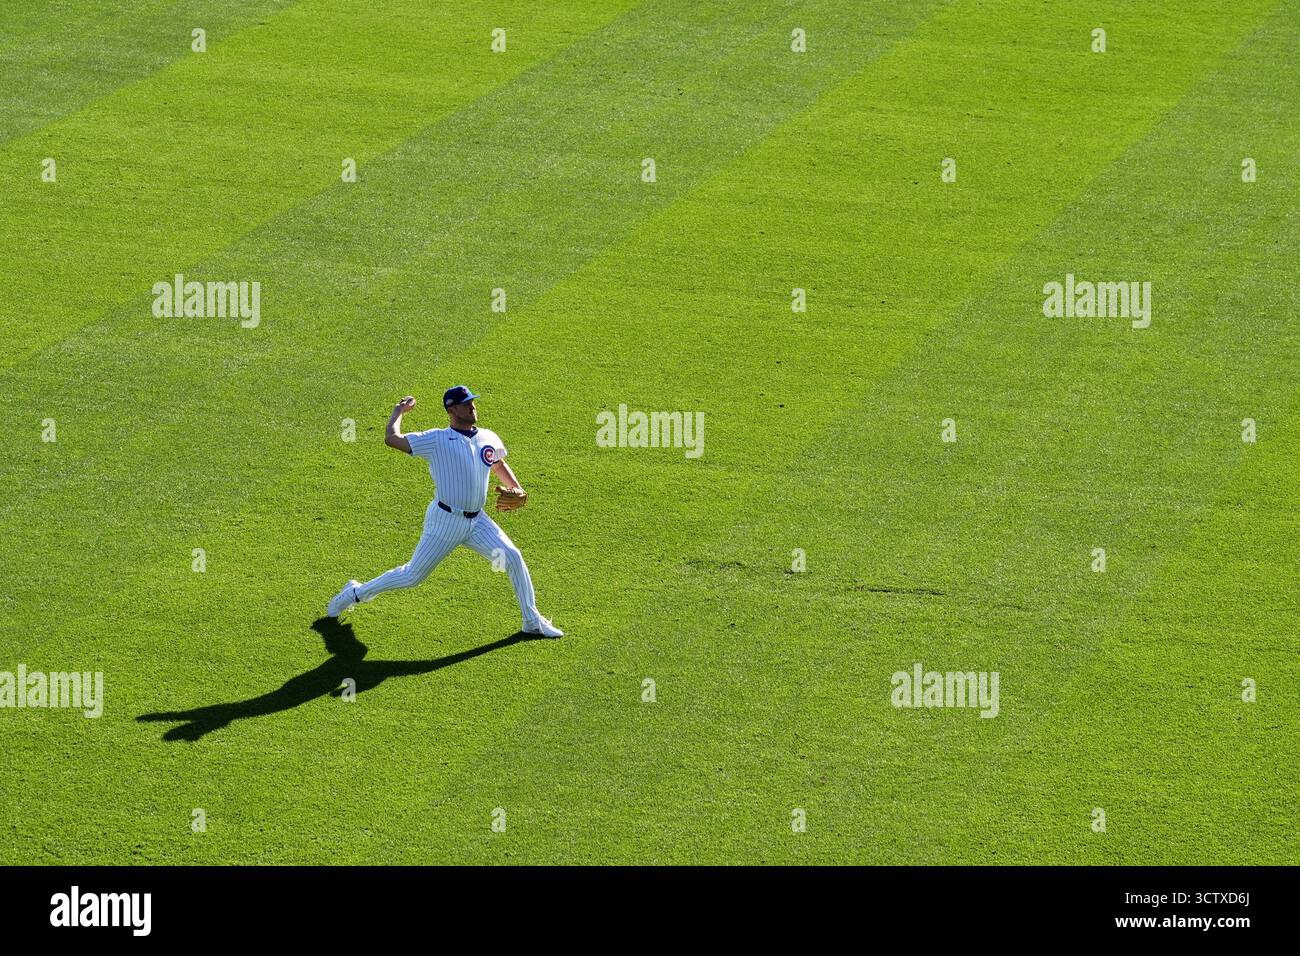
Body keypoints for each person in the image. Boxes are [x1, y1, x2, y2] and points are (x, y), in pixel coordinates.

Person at [327, 386, 563, 637]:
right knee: (412, 577)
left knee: (513, 557)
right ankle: (355, 593)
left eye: (473, 402)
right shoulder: (436, 439)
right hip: (445, 522)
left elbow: (497, 463)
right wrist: (398, 411)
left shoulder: (487, 437)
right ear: (451, 409)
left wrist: (517, 488)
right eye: (466, 404)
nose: (473, 407)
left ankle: (532, 622)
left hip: (478, 522)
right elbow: (392, 438)